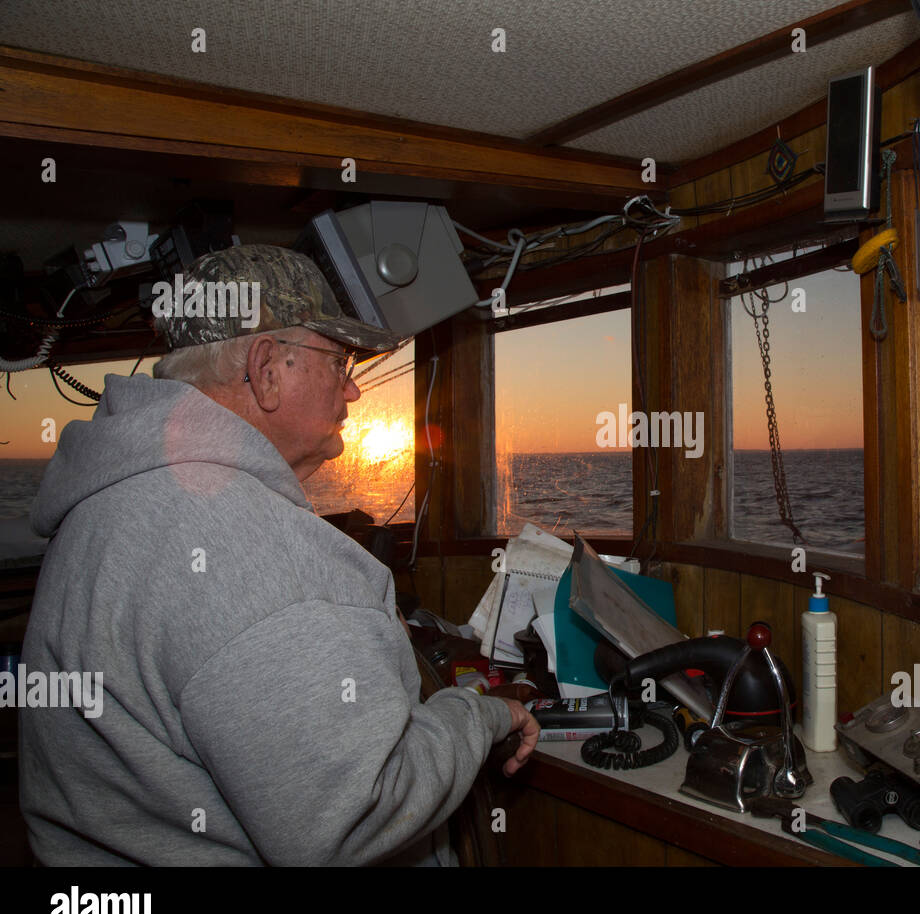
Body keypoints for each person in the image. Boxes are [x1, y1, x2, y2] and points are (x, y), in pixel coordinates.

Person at [19, 244, 537, 865]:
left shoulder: (105, 502)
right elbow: (351, 818)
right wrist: (479, 718)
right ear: (267, 369)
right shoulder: (254, 548)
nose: (352, 389)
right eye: (339, 360)